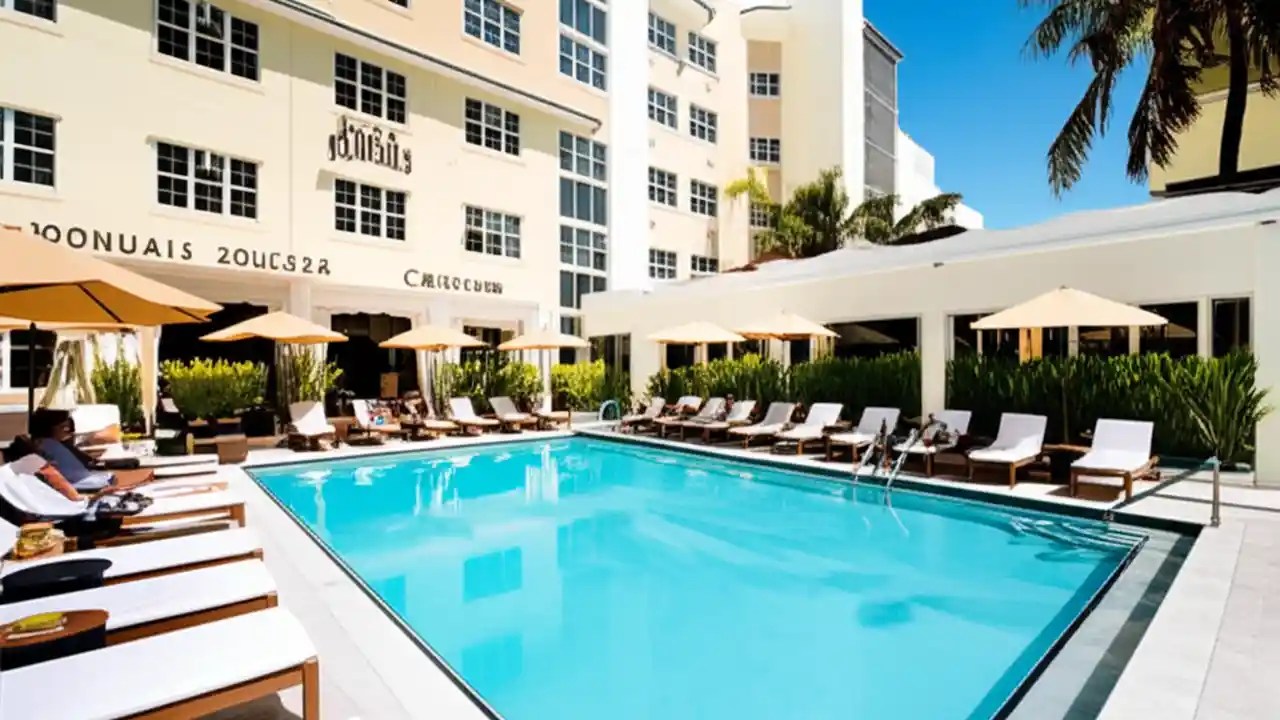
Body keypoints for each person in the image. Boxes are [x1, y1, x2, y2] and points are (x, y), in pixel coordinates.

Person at [29, 409, 153, 494]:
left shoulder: (53, 445)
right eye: (64, 427)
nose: (68, 429)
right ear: (51, 428)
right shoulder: (49, 447)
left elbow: (85, 462)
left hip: (88, 478)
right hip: (84, 483)